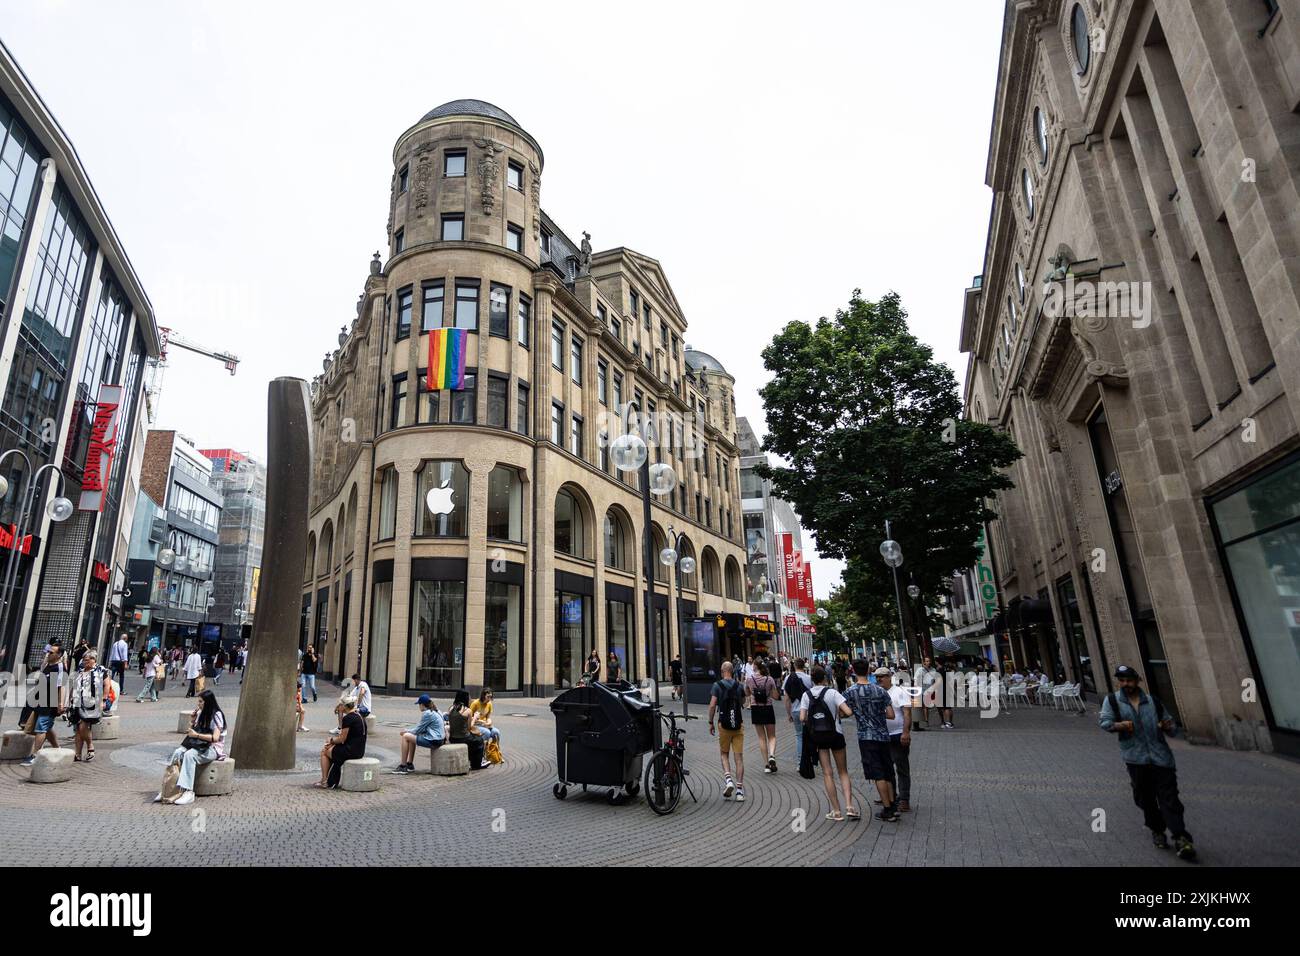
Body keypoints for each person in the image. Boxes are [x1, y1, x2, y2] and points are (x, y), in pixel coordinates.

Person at [1099, 665, 1196, 861]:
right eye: (1122, 680)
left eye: (1129, 680)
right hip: (1135, 759)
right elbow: (1105, 723)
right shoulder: (1112, 701)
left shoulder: (1153, 702)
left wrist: (1168, 726)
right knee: (1144, 798)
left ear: (1138, 680)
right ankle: (1157, 829)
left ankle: (1180, 837)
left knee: (1170, 799)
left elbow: (1172, 728)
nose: (1126, 684)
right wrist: (1120, 725)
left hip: (1161, 758)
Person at [844, 662, 899, 821]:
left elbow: (844, 712)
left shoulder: (850, 692)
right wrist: (877, 714)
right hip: (883, 735)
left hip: (866, 736)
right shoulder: (880, 690)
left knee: (877, 773)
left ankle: (887, 809)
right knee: (888, 772)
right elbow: (891, 715)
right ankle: (893, 804)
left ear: (854, 671)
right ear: (869, 670)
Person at [801, 666, 856, 821]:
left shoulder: (806, 695)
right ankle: (850, 806)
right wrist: (839, 715)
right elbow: (849, 711)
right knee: (843, 771)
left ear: (812, 679)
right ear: (825, 678)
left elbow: (802, 717)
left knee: (827, 773)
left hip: (819, 737)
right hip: (836, 733)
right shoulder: (832, 693)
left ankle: (836, 811)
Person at [157, 689, 226, 805]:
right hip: (198, 745)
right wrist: (193, 721)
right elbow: (194, 732)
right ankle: (168, 788)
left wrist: (196, 735)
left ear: (208, 702)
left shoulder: (216, 715)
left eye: (200, 702)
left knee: (190, 755)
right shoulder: (200, 713)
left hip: (212, 749)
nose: (198, 704)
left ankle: (188, 791)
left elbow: (215, 738)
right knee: (178, 752)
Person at [708, 661, 746, 802]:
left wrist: (710, 722)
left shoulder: (717, 686)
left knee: (724, 754)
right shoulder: (738, 686)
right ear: (732, 671)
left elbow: (712, 705)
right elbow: (743, 702)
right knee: (739, 758)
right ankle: (740, 791)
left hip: (723, 725)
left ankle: (729, 779)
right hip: (738, 724)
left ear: (722, 671)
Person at [23, 642, 66, 767]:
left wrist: (60, 704)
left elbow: (61, 686)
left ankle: (35, 755)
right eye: (48, 651)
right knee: (46, 726)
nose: (48, 654)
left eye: (51, 652)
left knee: (41, 727)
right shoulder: (47, 664)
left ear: (59, 655)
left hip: (50, 702)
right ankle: (57, 748)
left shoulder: (60, 668)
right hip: (39, 700)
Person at [881, 666, 914, 812]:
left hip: (898, 734)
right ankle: (891, 795)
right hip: (883, 736)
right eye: (877, 677)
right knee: (887, 768)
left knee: (901, 768)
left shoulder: (899, 692)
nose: (879, 679)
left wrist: (906, 732)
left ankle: (904, 799)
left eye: (882, 676)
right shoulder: (880, 692)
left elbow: (907, 713)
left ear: (889, 677)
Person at [317, 695, 366, 788]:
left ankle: (324, 781)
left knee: (324, 751)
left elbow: (341, 739)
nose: (339, 706)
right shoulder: (359, 716)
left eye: (340, 705)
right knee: (331, 749)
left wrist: (330, 740)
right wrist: (332, 743)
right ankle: (329, 780)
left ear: (344, 706)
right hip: (359, 750)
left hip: (351, 751)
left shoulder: (348, 718)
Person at [67, 650, 107, 762]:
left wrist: (103, 700)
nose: (85, 662)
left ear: (93, 660)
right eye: (84, 660)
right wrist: (70, 698)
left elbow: (106, 685)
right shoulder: (80, 670)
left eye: (87, 660)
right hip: (77, 702)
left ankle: (90, 746)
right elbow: (75, 685)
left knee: (83, 726)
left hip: (92, 702)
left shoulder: (101, 670)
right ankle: (78, 754)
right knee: (78, 729)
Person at [393, 694, 445, 773]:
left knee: (405, 736)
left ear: (422, 705)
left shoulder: (427, 713)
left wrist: (406, 731)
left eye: (419, 705)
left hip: (434, 741)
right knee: (411, 736)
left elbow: (418, 730)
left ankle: (403, 766)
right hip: (440, 739)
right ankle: (410, 764)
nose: (419, 707)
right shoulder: (436, 710)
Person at [745, 659, 779, 774]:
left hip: (756, 709)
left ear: (755, 666)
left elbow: (747, 693)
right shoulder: (769, 679)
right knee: (772, 736)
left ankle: (766, 765)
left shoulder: (749, 679)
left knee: (761, 738)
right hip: (768, 708)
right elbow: (775, 696)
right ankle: (772, 755)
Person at [784, 657, 814, 767]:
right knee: (810, 734)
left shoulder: (788, 678)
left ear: (795, 666)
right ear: (804, 666)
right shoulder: (809, 678)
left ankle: (800, 762)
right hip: (807, 711)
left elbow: (786, 698)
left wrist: (789, 713)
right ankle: (811, 759)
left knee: (799, 735)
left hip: (796, 710)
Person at [447, 690, 487, 770]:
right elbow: (469, 727)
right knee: (479, 740)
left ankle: (471, 760)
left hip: (453, 738)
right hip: (463, 738)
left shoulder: (451, 708)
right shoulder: (468, 710)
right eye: (469, 697)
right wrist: (475, 718)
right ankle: (476, 764)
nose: (470, 699)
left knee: (474, 739)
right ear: (465, 698)